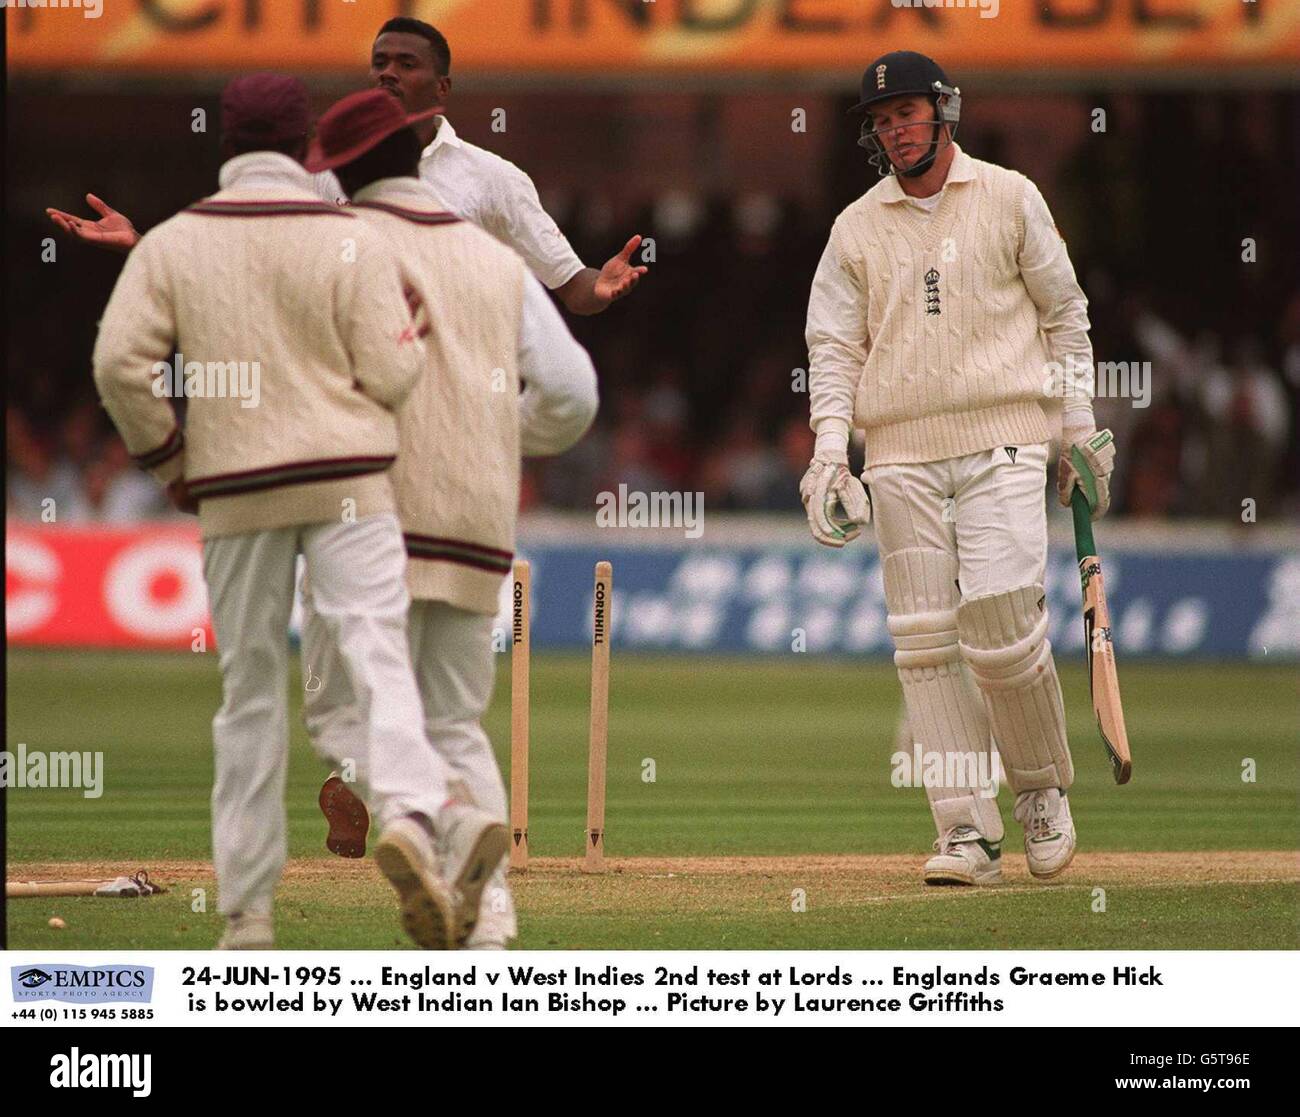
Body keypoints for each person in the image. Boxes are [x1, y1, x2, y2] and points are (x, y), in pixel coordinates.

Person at [91, 73, 506, 950]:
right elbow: (396, 373)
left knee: (248, 696)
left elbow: (119, 366)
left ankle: (247, 916)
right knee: (376, 655)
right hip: (350, 478)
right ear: (303, 148)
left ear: (226, 142)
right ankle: (420, 816)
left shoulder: (174, 240)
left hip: (236, 486)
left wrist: (174, 463)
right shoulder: (346, 235)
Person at [801, 51, 1116, 885]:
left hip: (1006, 436)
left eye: (907, 112)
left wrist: (1078, 428)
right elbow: (832, 349)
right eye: (882, 119)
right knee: (925, 644)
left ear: (944, 110)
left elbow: (1067, 314)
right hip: (899, 450)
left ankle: (1041, 791)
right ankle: (965, 833)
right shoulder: (854, 228)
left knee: (1003, 620)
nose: (895, 130)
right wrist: (831, 452)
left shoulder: (1011, 196)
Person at [300, 88, 599, 949]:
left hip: (362, 510)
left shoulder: (332, 250)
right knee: (456, 718)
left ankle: (431, 816)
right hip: (473, 515)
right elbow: (574, 396)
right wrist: (497, 432)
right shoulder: (489, 257)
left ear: (349, 171)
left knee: (348, 713)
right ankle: (488, 925)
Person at [47, 18, 647, 316]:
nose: (386, 71)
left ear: (441, 86)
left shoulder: (493, 178)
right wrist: (144, 243)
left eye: (404, 64)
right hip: (336, 403)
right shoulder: (317, 166)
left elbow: (569, 285)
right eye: (378, 61)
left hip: (441, 401)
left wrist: (602, 281)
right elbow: (240, 252)